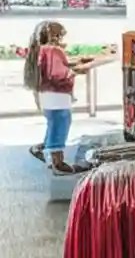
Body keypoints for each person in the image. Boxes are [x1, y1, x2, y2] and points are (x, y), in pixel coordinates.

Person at [22, 21, 91, 174]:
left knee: (53, 124)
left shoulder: (39, 50)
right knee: (61, 126)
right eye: (60, 35)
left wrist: (71, 63)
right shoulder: (54, 51)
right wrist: (77, 71)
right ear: (55, 35)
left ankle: (42, 148)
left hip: (45, 96)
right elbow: (58, 74)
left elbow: (49, 69)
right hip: (58, 96)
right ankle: (58, 164)